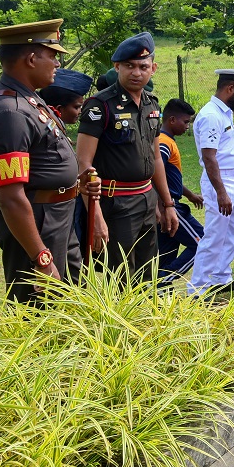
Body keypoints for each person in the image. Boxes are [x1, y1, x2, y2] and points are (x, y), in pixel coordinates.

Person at [0, 20, 100, 304]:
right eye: (52, 55)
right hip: (38, 221)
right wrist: (41, 257)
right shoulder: (10, 112)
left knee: (69, 304)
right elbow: (11, 197)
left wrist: (76, 183)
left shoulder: (29, 100)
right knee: (39, 311)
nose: (57, 63)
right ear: (31, 58)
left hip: (57, 215)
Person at [77, 33, 178, 281]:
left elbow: (156, 158)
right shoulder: (100, 106)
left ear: (153, 69)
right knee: (121, 276)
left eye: (143, 67)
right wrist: (96, 215)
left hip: (146, 198)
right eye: (129, 66)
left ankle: (147, 320)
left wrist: (167, 203)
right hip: (117, 202)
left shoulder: (152, 104)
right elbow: (83, 165)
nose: (136, 72)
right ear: (117, 67)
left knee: (148, 274)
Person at [188, 70, 234, 296]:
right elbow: (209, 157)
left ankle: (221, 278)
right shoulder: (211, 115)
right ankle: (197, 289)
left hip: (233, 177)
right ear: (230, 89)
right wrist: (221, 192)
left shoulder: (224, 112)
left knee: (232, 232)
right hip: (221, 180)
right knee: (215, 235)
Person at [37, 68, 96, 279]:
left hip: (64, 211)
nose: (80, 111)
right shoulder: (41, 126)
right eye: (77, 106)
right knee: (48, 286)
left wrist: (78, 183)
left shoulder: (55, 126)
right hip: (46, 214)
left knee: (74, 276)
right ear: (59, 108)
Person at [156, 99, 205, 286]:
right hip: (169, 206)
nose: (187, 126)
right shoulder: (163, 142)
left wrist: (189, 194)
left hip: (169, 203)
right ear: (172, 120)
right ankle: (162, 281)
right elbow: (155, 171)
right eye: (185, 122)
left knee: (166, 255)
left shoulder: (166, 141)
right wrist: (162, 205)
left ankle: (161, 291)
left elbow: (167, 176)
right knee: (202, 242)